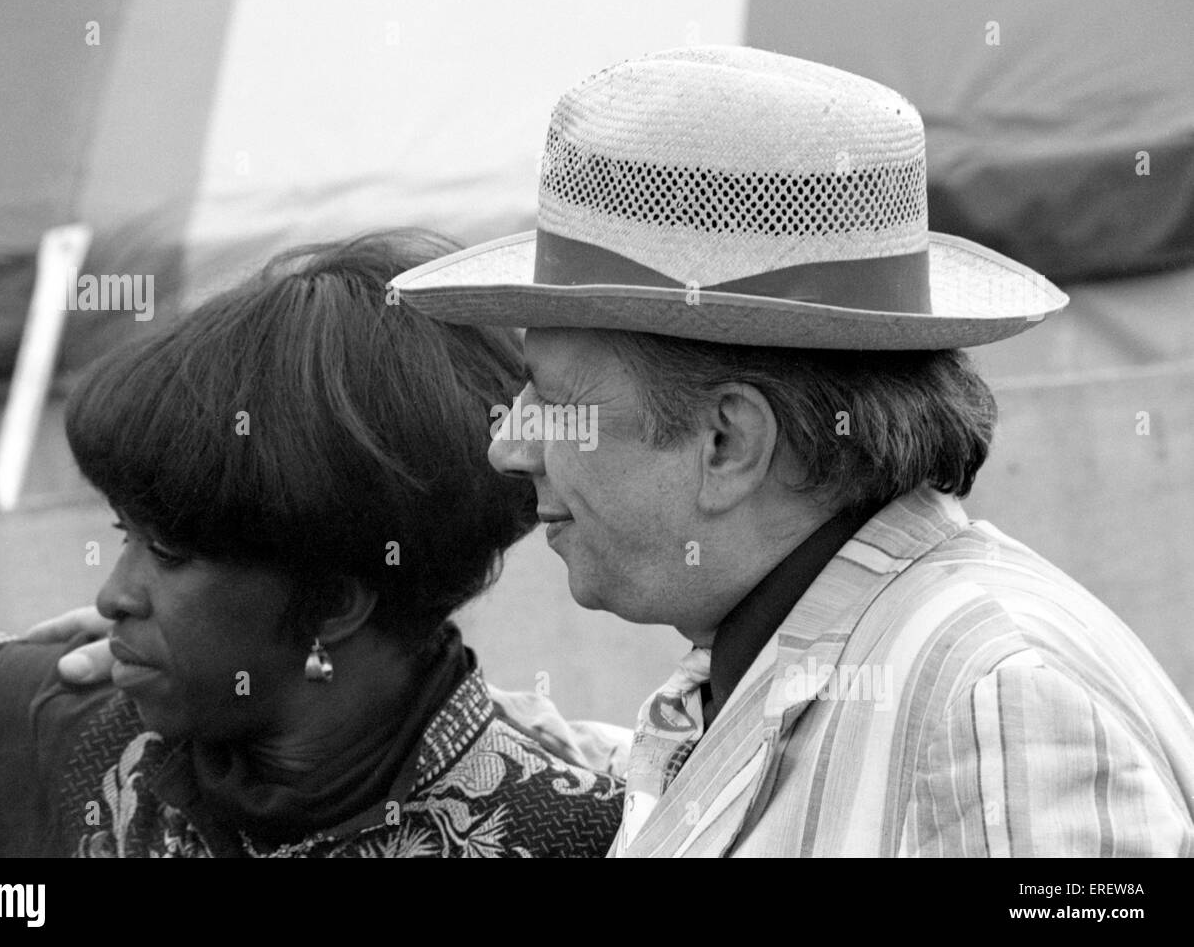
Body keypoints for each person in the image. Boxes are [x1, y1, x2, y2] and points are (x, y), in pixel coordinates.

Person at [391, 46, 1194, 856]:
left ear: (727, 442)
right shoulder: (781, 662)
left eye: (556, 402)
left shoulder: (989, 706)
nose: (510, 444)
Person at [0, 230, 623, 858]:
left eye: (170, 554)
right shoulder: (67, 724)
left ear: (331, 604)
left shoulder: (597, 835)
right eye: (127, 537)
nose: (113, 596)